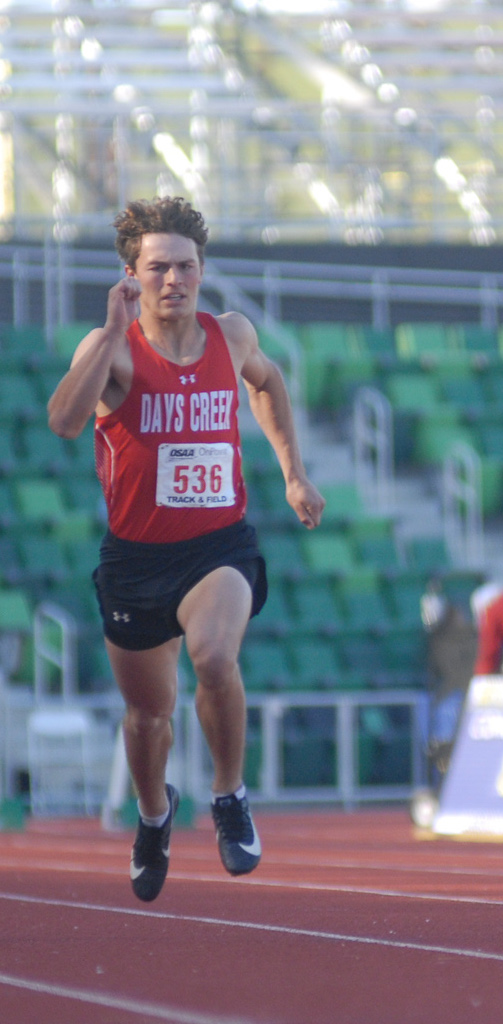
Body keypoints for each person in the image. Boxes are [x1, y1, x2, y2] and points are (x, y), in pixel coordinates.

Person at [46, 196, 324, 902]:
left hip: (217, 545)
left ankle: (228, 795)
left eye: (187, 267)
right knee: (148, 717)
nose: (175, 280)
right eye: (159, 267)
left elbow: (268, 383)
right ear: (132, 275)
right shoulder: (109, 348)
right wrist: (109, 332)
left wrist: (292, 472)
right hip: (137, 561)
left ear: (203, 271)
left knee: (215, 657)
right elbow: (64, 422)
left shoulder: (228, 334)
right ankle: (153, 814)